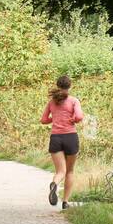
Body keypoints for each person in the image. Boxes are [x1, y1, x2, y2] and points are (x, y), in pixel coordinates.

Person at [40, 74, 83, 209]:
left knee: (60, 171)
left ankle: (54, 184)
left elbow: (43, 120)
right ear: (70, 86)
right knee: (70, 171)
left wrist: (55, 118)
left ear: (57, 86)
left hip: (56, 138)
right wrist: (73, 119)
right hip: (70, 137)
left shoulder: (52, 102)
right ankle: (65, 202)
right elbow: (79, 116)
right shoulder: (74, 101)